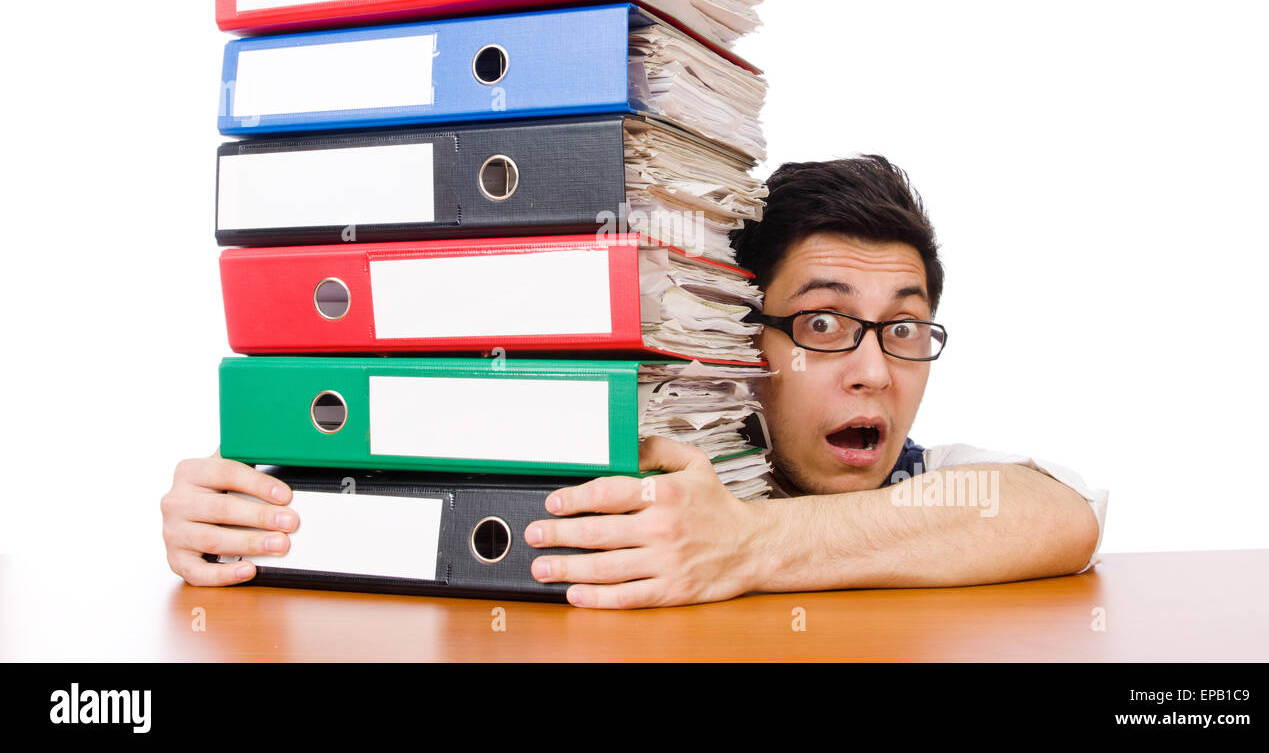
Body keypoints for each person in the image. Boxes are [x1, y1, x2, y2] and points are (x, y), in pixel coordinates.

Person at [161, 155, 1107, 608]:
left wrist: (751, 546)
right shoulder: (639, 471)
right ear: (739, 338)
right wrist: (252, 505)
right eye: (822, 322)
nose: (872, 371)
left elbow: (1061, 512)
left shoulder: (929, 485)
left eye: (902, 329)